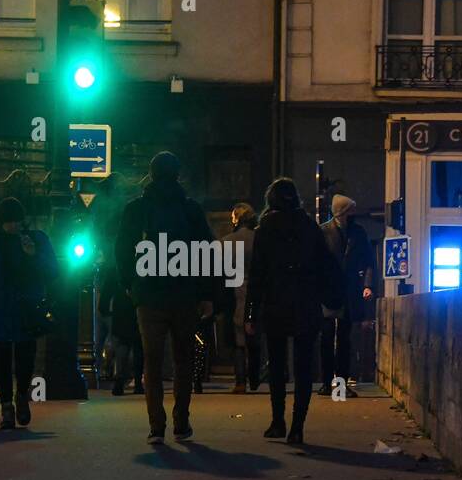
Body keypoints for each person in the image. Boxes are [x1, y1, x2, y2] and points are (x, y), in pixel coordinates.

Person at [115, 151, 214, 444]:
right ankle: (181, 423)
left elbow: (122, 249)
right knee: (183, 359)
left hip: (149, 295)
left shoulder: (136, 209)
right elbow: (205, 253)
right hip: (184, 294)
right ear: (178, 174)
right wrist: (206, 294)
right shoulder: (190, 210)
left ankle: (156, 426)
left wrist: (130, 283)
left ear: (151, 174)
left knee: (152, 360)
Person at [246, 177, 340, 445]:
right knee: (303, 367)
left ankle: (278, 421)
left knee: (276, 365)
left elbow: (257, 275)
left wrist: (250, 314)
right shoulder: (309, 226)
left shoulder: (265, 229)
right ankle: (298, 426)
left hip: (275, 304)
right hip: (305, 303)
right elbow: (325, 265)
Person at [0, 197, 59, 430]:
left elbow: (52, 272)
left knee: (26, 359)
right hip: (0, 310)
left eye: (16, 221)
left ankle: (22, 396)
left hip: (27, 310)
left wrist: (32, 255)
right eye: (9, 222)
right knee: (3, 362)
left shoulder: (35, 240)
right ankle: (7, 406)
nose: (13, 226)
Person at [318, 194, 374, 398]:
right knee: (327, 339)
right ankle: (326, 383)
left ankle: (339, 385)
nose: (354, 214)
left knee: (344, 341)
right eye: (350, 210)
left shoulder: (357, 232)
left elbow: (368, 260)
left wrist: (367, 285)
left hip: (347, 291)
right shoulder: (323, 232)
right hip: (329, 290)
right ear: (342, 212)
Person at [222, 202, 261, 393]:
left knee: (238, 340)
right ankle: (254, 378)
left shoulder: (227, 242)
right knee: (255, 336)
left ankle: (240, 381)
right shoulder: (261, 240)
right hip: (257, 291)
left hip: (234, 290)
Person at [97, 261, 144, 396]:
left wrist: (105, 310)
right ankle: (138, 383)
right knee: (139, 348)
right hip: (139, 308)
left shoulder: (116, 269)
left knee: (122, 346)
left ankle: (119, 380)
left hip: (121, 311)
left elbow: (106, 295)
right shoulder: (142, 264)